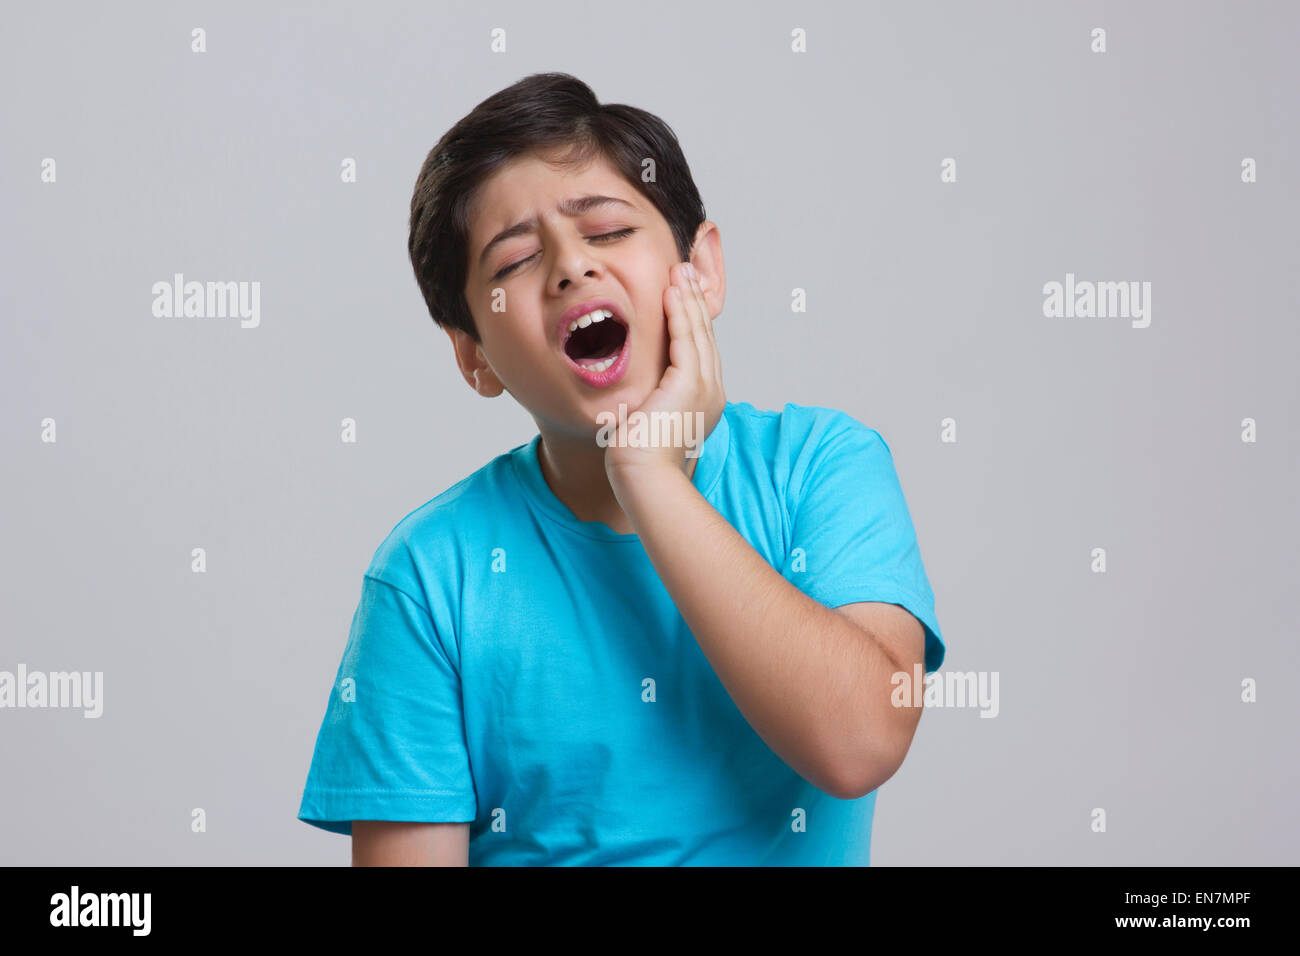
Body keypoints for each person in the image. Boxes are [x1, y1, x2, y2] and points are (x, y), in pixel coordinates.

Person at [297, 72, 945, 866]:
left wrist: (649, 474)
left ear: (701, 270)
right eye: (517, 261)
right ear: (474, 355)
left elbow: (859, 742)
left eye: (605, 231)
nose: (572, 267)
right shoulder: (431, 576)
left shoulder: (820, 467)